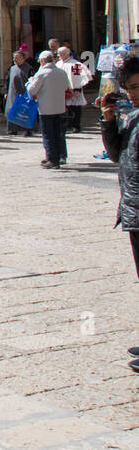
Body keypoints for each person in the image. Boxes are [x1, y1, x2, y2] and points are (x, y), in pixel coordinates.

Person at [96, 54, 139, 373]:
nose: (133, 94)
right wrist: (108, 119)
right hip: (133, 210)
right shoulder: (133, 117)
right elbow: (115, 154)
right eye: (128, 88)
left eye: (137, 87)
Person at [28, 50, 70, 168]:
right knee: (58, 133)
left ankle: (52, 159)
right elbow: (66, 86)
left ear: (42, 61)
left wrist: (31, 82)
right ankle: (60, 156)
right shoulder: (61, 72)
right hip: (60, 107)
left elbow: (32, 90)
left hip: (46, 109)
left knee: (48, 135)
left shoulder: (42, 74)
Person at [58, 46, 92, 134]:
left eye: (62, 53)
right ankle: (67, 125)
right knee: (65, 109)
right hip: (61, 90)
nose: (60, 55)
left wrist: (77, 89)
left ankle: (75, 126)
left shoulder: (75, 64)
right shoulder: (58, 64)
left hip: (74, 90)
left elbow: (79, 78)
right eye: (59, 53)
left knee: (75, 109)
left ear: (68, 53)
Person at [6, 49, 34, 136]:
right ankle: (12, 130)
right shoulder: (12, 68)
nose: (15, 60)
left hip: (24, 93)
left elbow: (32, 81)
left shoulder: (29, 68)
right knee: (12, 110)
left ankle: (27, 130)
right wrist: (6, 91)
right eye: (14, 58)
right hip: (13, 93)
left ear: (22, 59)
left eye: (17, 58)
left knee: (24, 112)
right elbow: (7, 80)